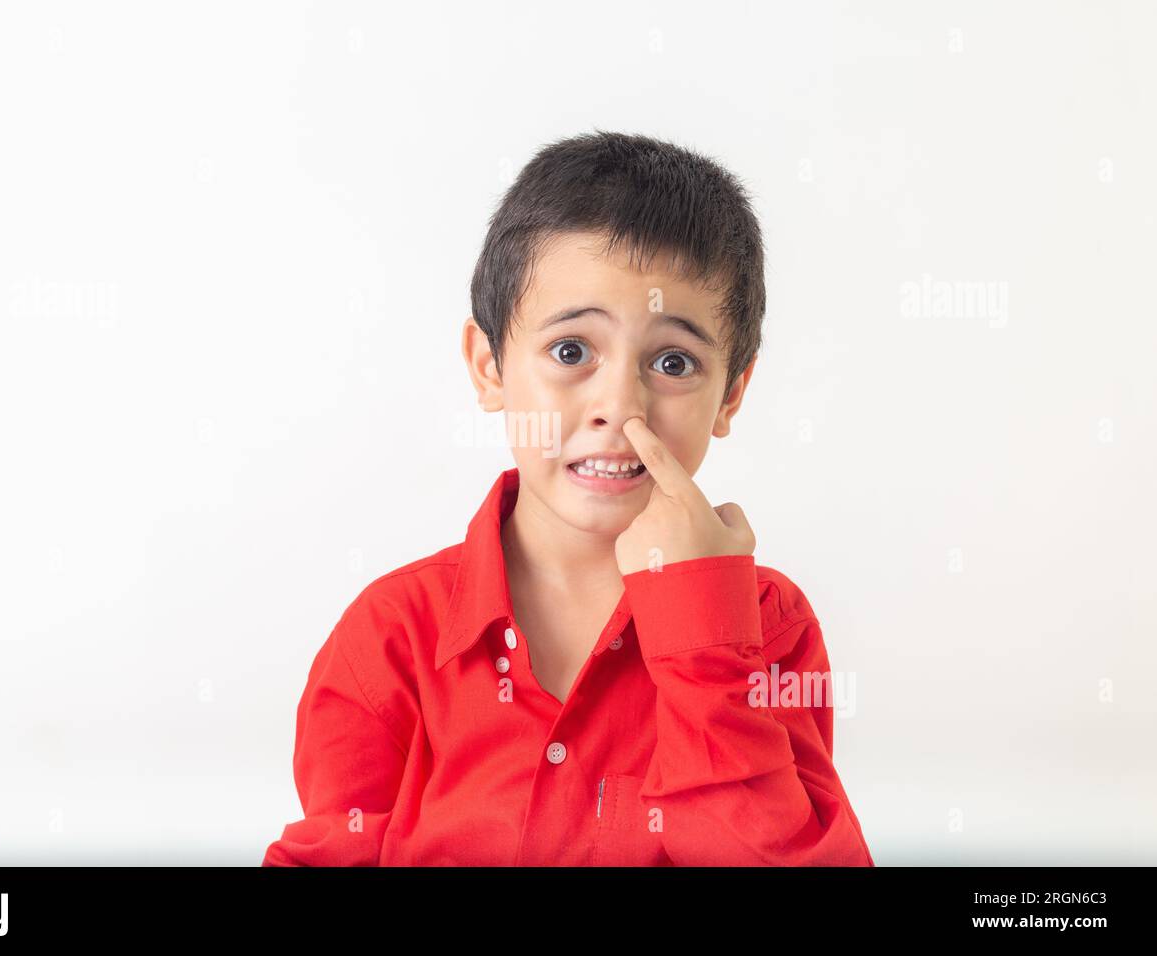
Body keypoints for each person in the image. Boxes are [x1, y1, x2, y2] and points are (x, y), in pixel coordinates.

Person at [262, 130, 874, 866]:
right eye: (571, 351)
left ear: (730, 394)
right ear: (489, 367)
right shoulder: (391, 638)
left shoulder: (768, 628)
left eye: (673, 361)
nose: (620, 405)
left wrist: (706, 639)